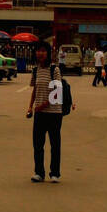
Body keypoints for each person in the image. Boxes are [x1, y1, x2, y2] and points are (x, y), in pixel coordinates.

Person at [26, 42, 66, 182]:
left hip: (54, 113)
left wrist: (42, 105)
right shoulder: (36, 70)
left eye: (43, 51)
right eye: (38, 51)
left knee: (55, 144)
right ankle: (39, 172)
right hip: (39, 113)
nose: (40, 53)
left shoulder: (54, 69)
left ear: (48, 53)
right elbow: (35, 90)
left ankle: (54, 173)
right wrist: (30, 107)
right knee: (38, 144)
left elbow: (57, 92)